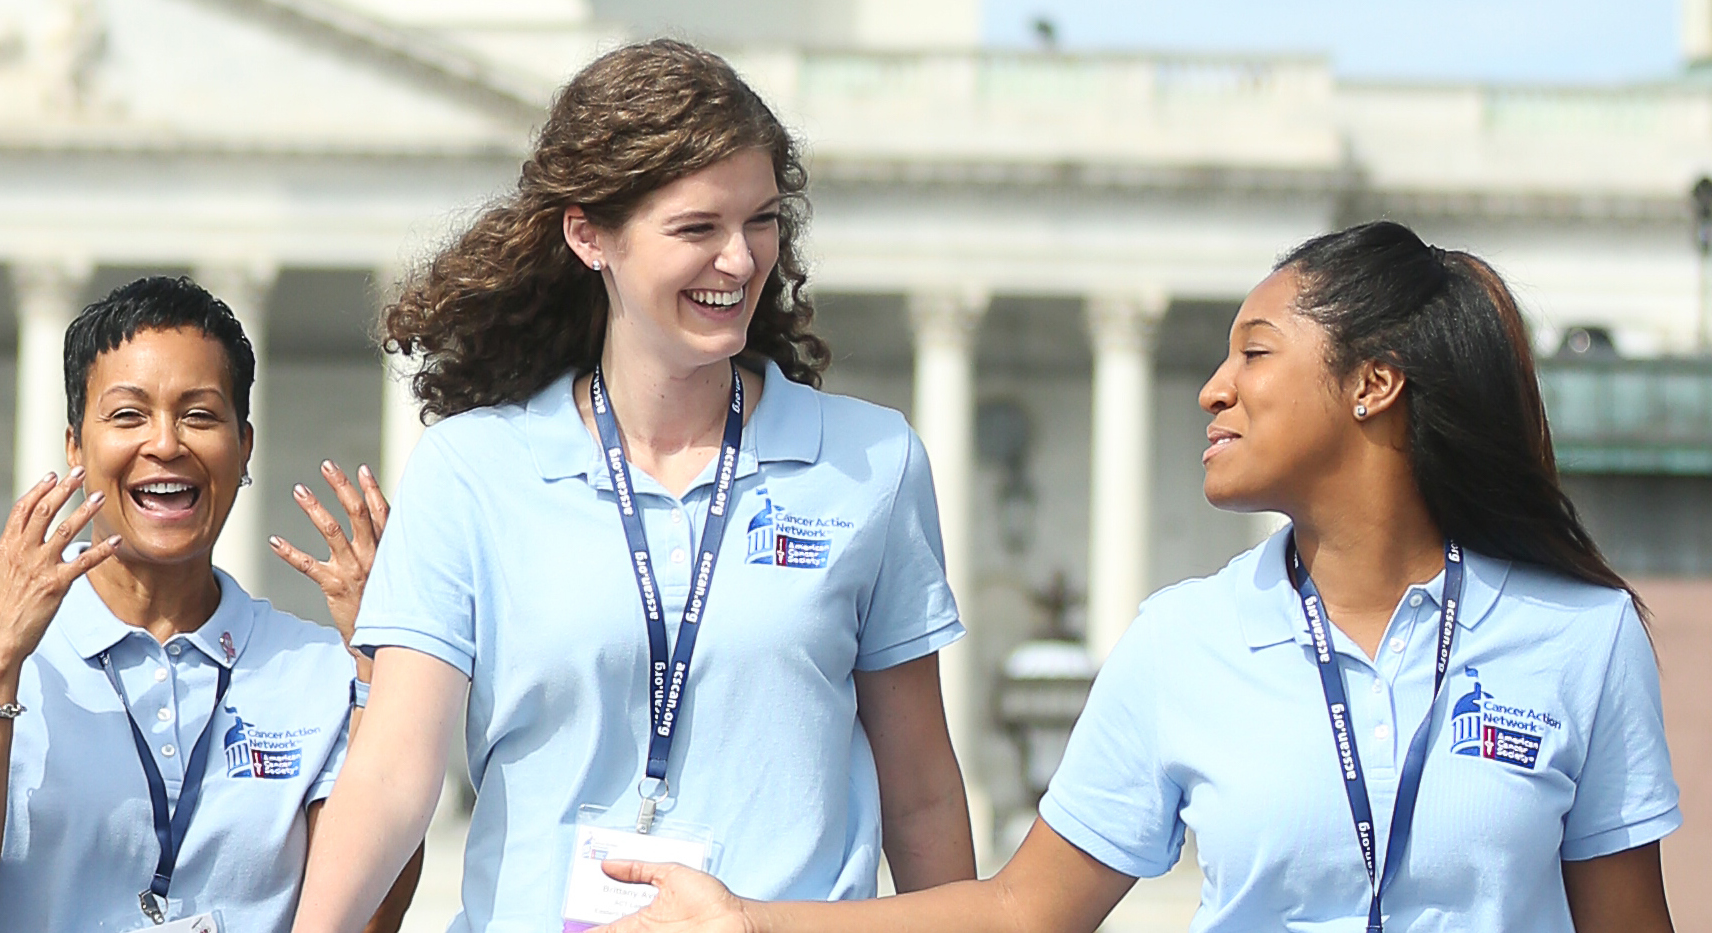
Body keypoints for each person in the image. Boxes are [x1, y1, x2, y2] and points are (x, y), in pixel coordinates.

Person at [602, 221, 1680, 933]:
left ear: (1372, 383)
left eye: (1253, 353)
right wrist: (741, 918)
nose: (1211, 389)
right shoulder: (1182, 641)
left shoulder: (1578, 638)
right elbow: (1023, 912)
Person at [290, 40, 976, 933]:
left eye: (762, 220)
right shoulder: (471, 469)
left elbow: (920, 791)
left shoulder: (873, 462)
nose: (739, 260)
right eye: (697, 229)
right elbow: (392, 774)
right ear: (589, 235)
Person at [0, 276, 419, 933]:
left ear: (244, 445)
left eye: (199, 414)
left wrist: (387, 670)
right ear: (75, 446)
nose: (166, 442)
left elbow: (365, 920)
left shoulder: (323, 668)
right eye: (128, 415)